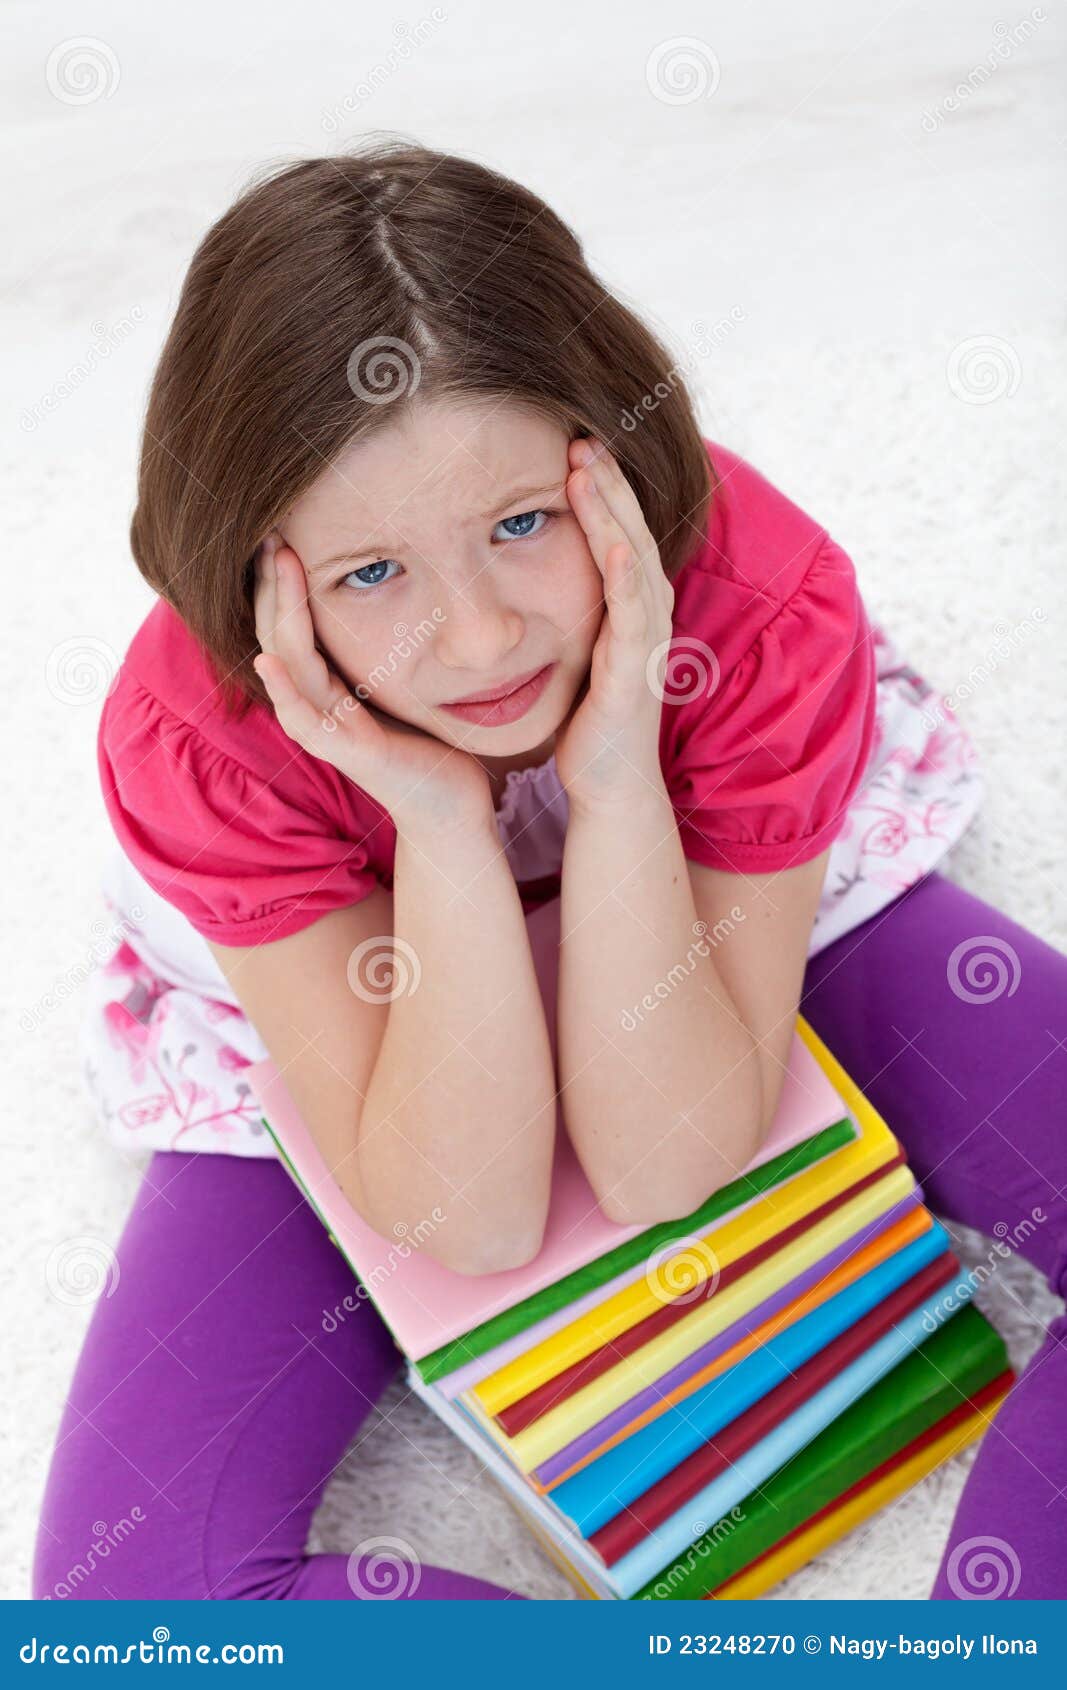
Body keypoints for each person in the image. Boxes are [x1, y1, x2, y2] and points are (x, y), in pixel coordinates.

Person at [33, 139, 1066, 1602]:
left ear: (615, 468)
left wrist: (619, 774)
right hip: (361, 971)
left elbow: (669, 1166)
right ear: (265, 580)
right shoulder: (209, 738)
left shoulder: (750, 617)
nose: (480, 641)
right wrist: (443, 831)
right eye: (373, 573)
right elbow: (476, 1214)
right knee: (131, 1608)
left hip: (710, 871)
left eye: (524, 525)